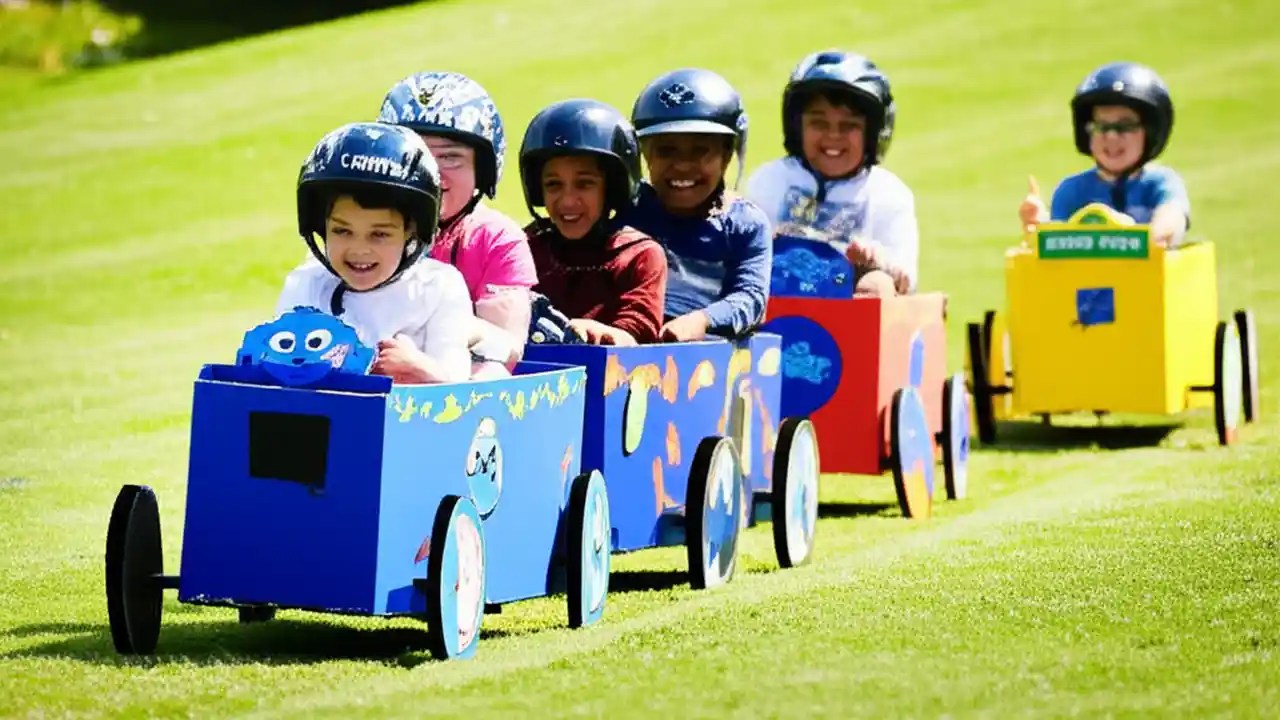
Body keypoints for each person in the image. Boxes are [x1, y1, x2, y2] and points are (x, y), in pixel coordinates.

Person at [275, 122, 473, 384]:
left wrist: (419, 367)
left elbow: (458, 387)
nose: (359, 249)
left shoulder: (438, 287)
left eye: (379, 234)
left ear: (411, 232)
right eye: (342, 231)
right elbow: (275, 370)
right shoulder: (308, 283)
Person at [377, 71, 536, 370]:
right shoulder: (360, 227)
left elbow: (507, 351)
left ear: (482, 170)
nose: (432, 173)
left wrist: (441, 336)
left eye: (451, 157)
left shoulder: (495, 238)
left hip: (461, 394)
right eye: (415, 155)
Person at [745, 50, 918, 296]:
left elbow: (906, 279)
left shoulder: (888, 194)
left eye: (849, 126)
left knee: (877, 284)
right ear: (797, 127)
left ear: (874, 134)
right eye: (819, 123)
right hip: (779, 298)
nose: (833, 136)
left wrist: (878, 261)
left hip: (850, 312)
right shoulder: (770, 180)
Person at [621, 68, 772, 342]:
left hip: (704, 360)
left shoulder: (745, 225)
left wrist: (702, 320)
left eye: (701, 150)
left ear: (727, 155)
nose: (682, 165)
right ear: (644, 154)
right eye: (667, 151)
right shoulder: (629, 208)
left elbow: (750, 298)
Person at [520, 99, 667, 345]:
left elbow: (637, 329)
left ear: (611, 188)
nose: (567, 200)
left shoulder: (638, 256)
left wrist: (590, 332)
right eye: (553, 185)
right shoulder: (527, 247)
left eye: (585, 183)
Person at [1019, 61, 1190, 247]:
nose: (1111, 137)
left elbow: (1171, 218)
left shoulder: (1160, 183)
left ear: (1150, 132)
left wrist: (1155, 234)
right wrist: (1038, 228)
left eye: (1125, 127)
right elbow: (1056, 249)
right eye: (1101, 127)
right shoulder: (1072, 190)